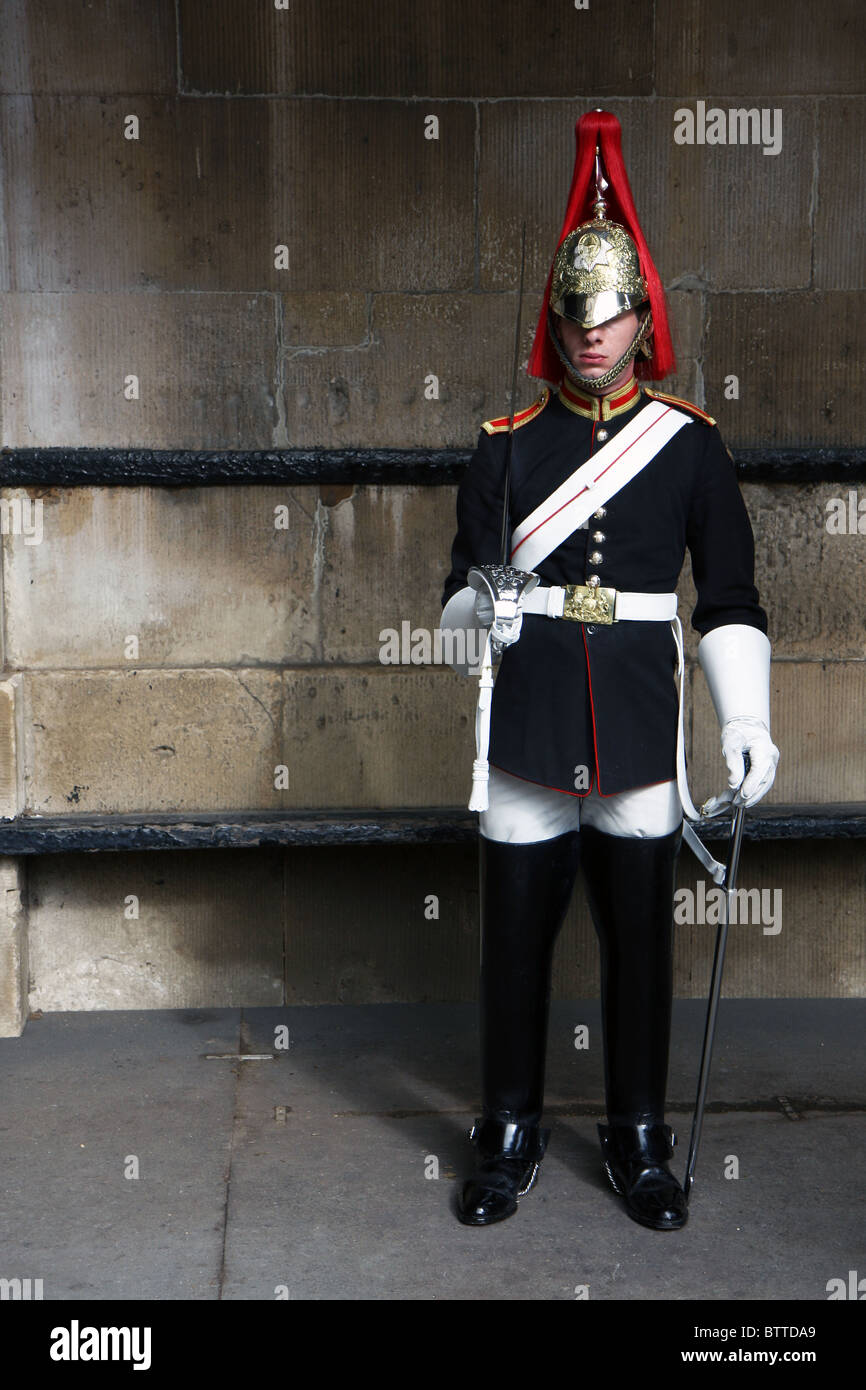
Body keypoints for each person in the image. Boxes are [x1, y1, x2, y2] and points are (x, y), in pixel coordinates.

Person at [440, 110, 779, 1231]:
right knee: (512, 942)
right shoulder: (503, 443)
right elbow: (463, 579)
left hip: (636, 717)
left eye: (611, 311)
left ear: (642, 318)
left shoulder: (689, 445)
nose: (591, 331)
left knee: (639, 942)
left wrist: (746, 721)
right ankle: (506, 1125)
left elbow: (724, 599)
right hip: (531, 713)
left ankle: (636, 1133)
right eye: (574, 312)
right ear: (553, 318)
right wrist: (464, 619)